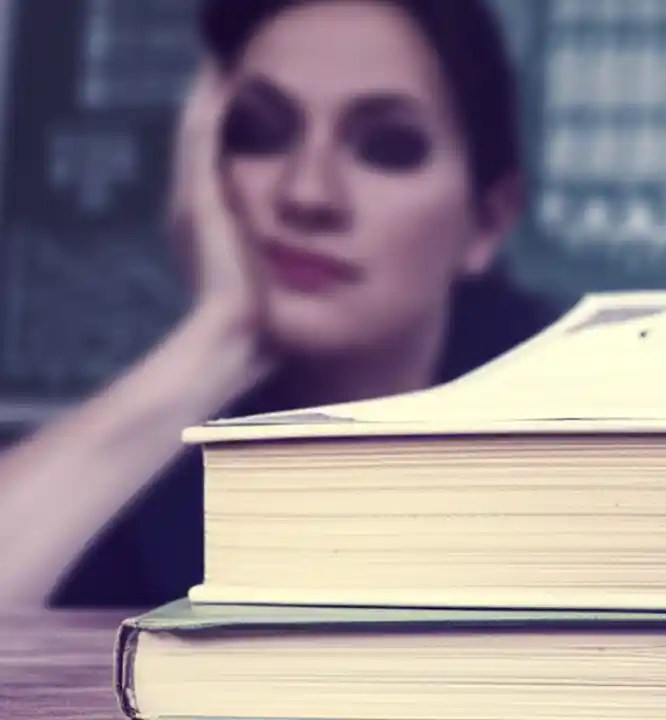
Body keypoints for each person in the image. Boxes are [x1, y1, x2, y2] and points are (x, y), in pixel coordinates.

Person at [0, 0, 554, 608]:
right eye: (257, 134)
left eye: (387, 147)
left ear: (487, 224)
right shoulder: (131, 494)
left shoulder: (591, 467)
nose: (307, 193)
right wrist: (221, 335)